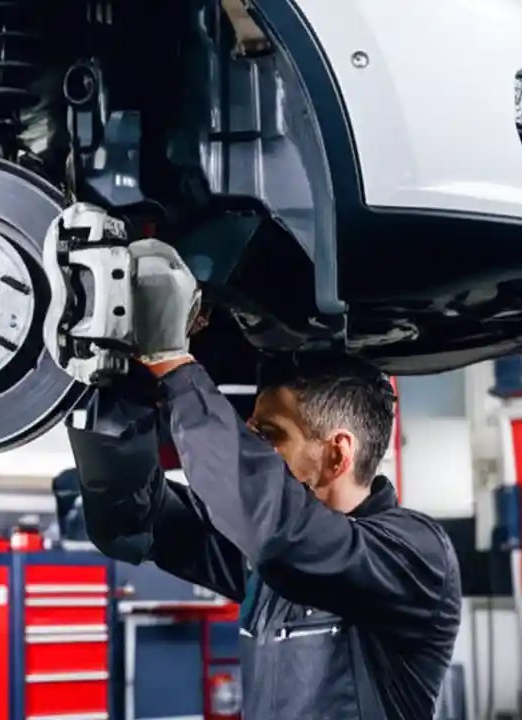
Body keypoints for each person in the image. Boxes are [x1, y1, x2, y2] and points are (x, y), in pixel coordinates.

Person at [65, 239, 463, 719]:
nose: (250, 445)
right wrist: (124, 382)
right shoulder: (267, 563)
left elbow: (277, 532)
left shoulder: (413, 556)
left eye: (269, 435)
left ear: (337, 454)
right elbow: (132, 522)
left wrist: (175, 362)